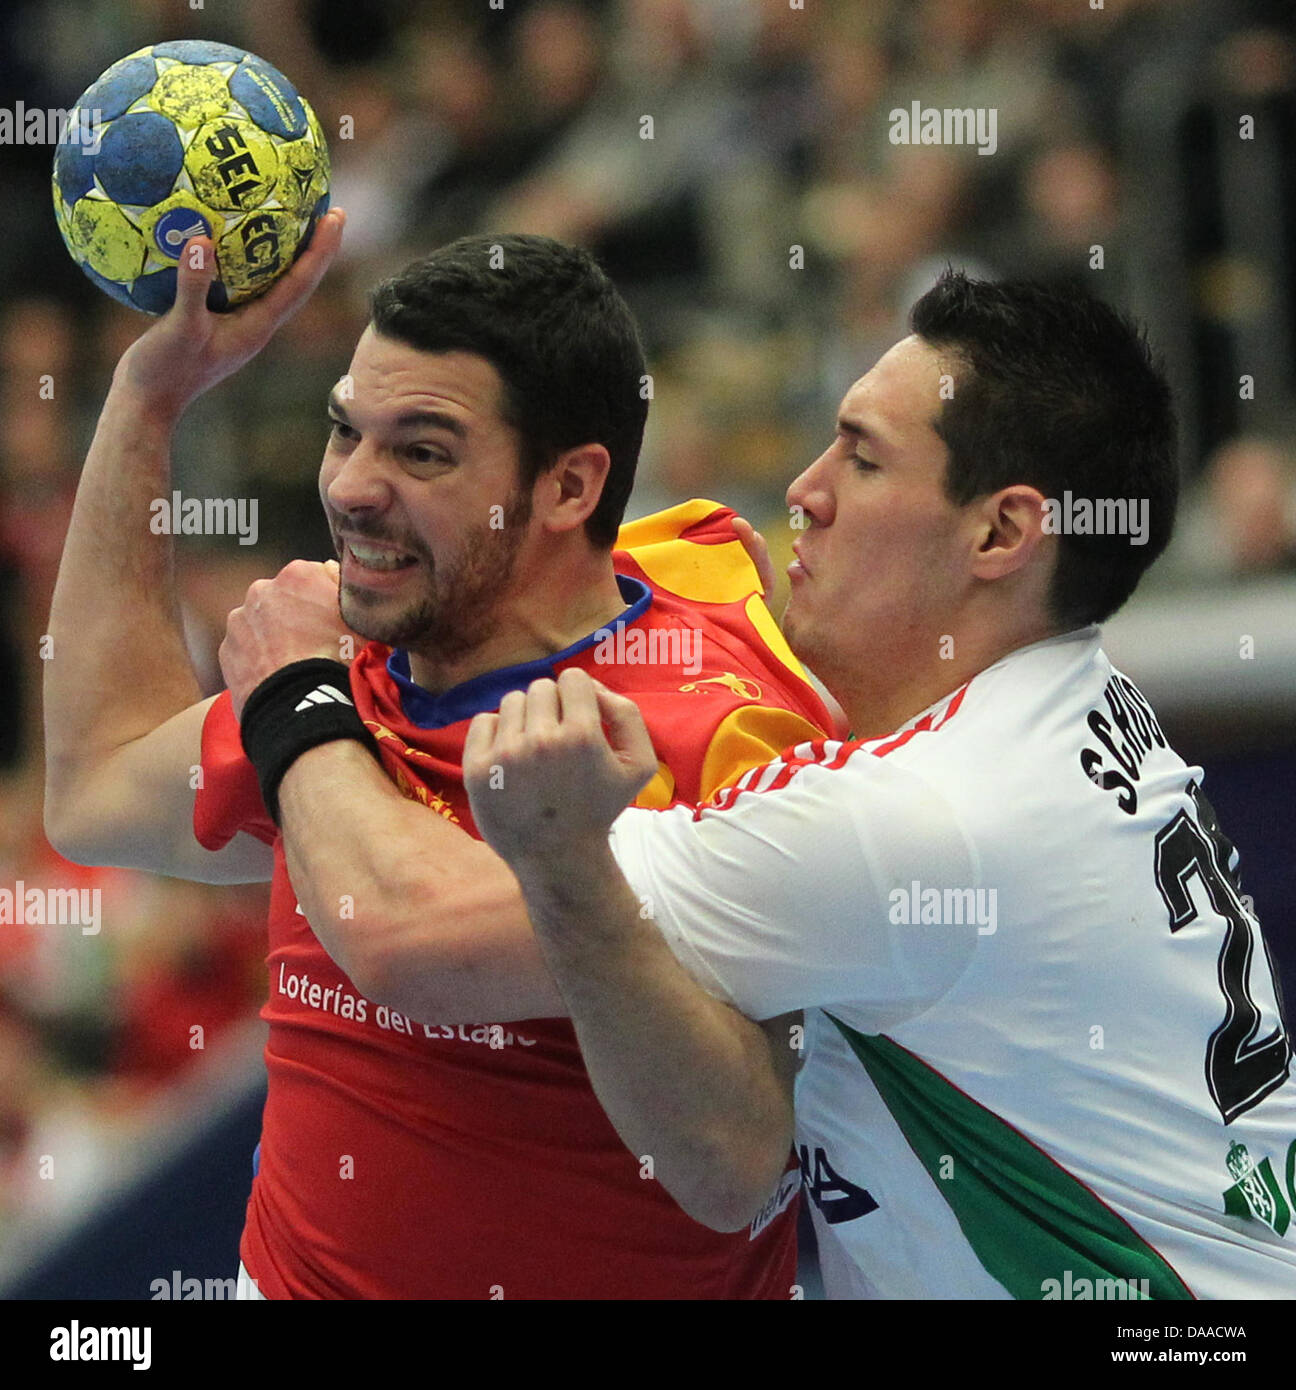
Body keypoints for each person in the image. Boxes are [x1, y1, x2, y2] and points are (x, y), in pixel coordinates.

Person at [461, 270, 1296, 1299]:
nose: (804, 493)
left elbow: (415, 938)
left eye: (860, 458)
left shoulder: (924, 818)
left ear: (1000, 534)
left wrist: (303, 701)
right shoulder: (1070, 696)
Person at [42, 220, 833, 1298]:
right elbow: (97, 782)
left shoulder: (698, 743)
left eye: (422, 451)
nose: (352, 488)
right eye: (344, 432)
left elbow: (735, 1167)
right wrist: (147, 400)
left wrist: (290, 697)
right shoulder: (363, 667)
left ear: (568, 487)